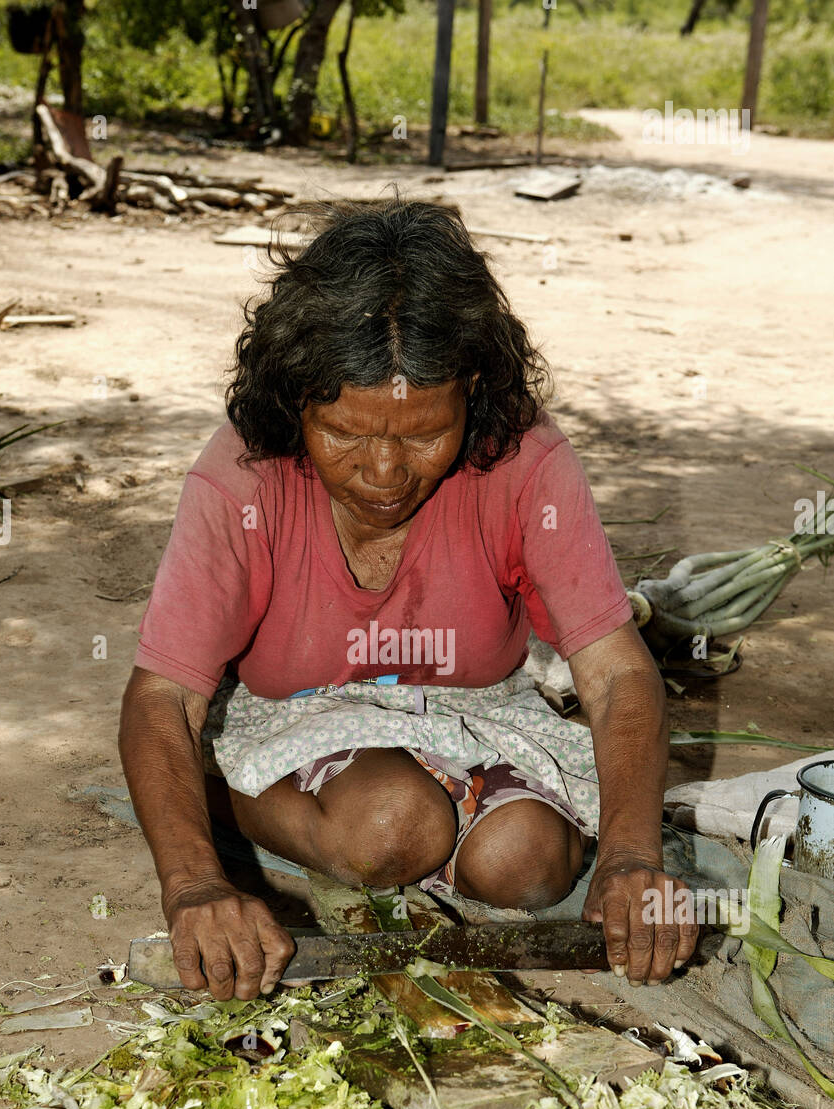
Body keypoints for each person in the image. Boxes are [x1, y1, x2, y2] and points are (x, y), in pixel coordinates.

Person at [119, 198, 695, 1001]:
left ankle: (446, 828)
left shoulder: (524, 459)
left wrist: (634, 855)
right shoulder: (242, 476)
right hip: (296, 713)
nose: (384, 472)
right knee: (393, 827)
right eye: (345, 435)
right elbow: (163, 695)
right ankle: (227, 791)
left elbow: (614, 674)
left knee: (525, 865)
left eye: (424, 434)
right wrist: (193, 885)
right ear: (295, 400)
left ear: (473, 393)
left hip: (476, 708)